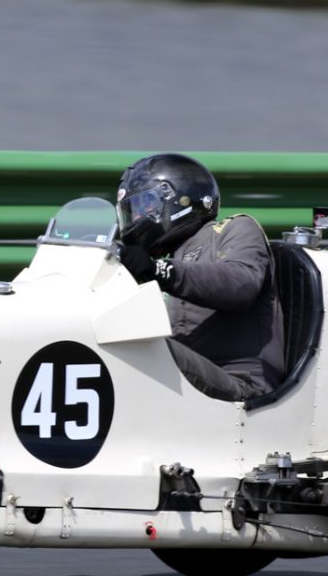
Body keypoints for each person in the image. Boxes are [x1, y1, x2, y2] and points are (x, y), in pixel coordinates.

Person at [115, 153, 285, 401]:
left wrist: (160, 272)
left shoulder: (234, 229)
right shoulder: (158, 260)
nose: (137, 218)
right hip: (188, 386)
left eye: (144, 206)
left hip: (241, 382)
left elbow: (241, 284)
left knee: (143, 352)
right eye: (132, 211)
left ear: (178, 199)